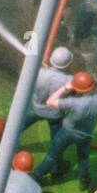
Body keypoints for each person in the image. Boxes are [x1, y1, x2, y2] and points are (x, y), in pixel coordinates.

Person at [36, 71, 97, 191]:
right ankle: (84, 182)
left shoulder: (74, 103)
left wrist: (66, 87)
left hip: (66, 132)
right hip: (86, 135)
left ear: (78, 89)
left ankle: (35, 177)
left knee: (51, 156)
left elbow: (50, 101)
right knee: (83, 159)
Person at [22, 45, 73, 174]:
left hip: (36, 108)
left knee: (18, 127)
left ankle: (1, 142)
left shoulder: (38, 72)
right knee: (56, 145)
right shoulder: (69, 80)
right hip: (55, 115)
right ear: (67, 64)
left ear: (51, 60)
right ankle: (57, 168)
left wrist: (44, 69)